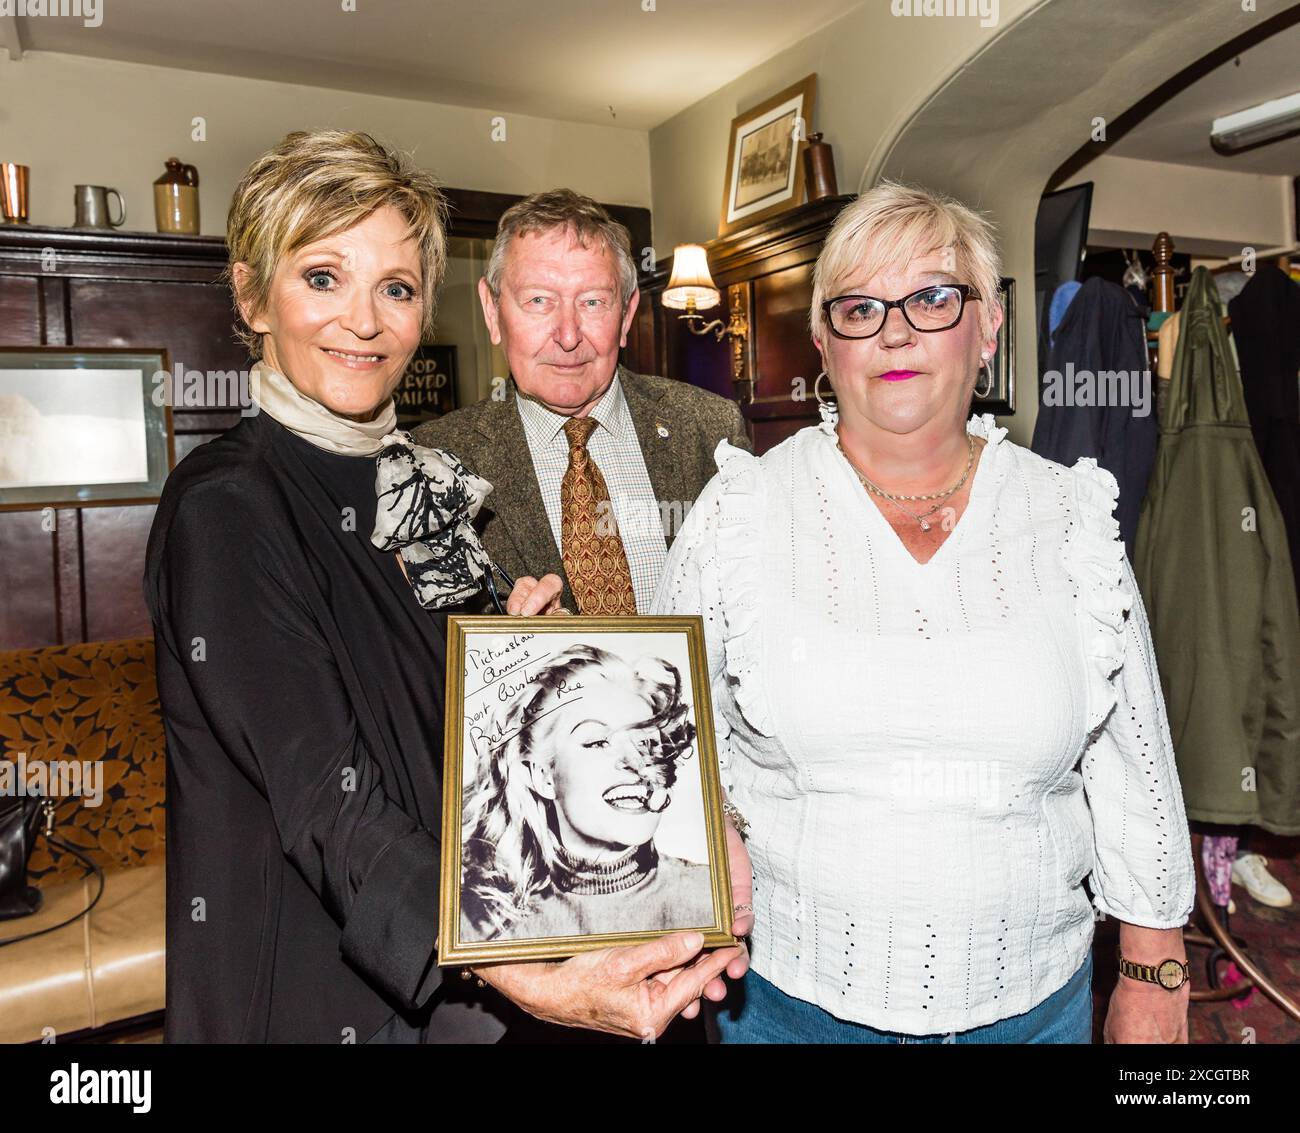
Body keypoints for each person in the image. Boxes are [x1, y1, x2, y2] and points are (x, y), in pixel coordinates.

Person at [144, 130, 744, 1044]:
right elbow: (328, 803)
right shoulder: (227, 506)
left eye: (395, 287)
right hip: (321, 988)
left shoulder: (412, 479)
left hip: (446, 984)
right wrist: (531, 978)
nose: (365, 319)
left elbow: (436, 733)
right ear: (250, 294)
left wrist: (507, 651)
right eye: (322, 277)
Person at [653, 180, 1197, 1044]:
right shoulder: (741, 510)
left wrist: (1154, 967)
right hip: (791, 1006)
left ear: (988, 331)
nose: (897, 329)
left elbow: (1135, 761)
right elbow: (667, 733)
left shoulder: (1070, 515)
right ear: (825, 345)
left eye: (934, 297)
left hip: (1034, 1006)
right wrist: (716, 822)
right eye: (861, 307)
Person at [412, 188, 752, 615]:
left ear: (626, 315)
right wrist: (513, 646)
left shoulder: (710, 429)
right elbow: (429, 642)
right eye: (539, 301)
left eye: (593, 302)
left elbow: (759, 603)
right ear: (492, 310)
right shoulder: (434, 460)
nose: (569, 336)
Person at [461, 644, 715, 942]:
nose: (635, 763)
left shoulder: (709, 898)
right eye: (598, 742)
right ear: (543, 777)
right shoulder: (485, 923)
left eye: (646, 742)